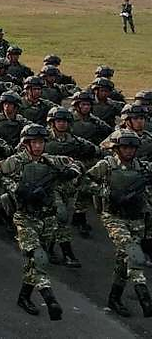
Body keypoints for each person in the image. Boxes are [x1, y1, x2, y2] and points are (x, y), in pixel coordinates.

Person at [0, 123, 80, 321]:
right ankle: (50, 299)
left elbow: (76, 164)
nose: (38, 146)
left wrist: (70, 172)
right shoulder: (16, 161)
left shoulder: (51, 161)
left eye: (41, 142)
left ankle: (24, 297)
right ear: (26, 144)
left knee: (34, 262)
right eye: (34, 142)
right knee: (39, 258)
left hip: (47, 218)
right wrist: (15, 187)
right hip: (25, 217)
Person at [85, 129, 152, 317]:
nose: (129, 151)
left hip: (136, 218)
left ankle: (114, 298)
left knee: (123, 260)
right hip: (113, 216)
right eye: (125, 147)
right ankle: (143, 294)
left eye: (132, 147)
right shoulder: (107, 165)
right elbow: (84, 181)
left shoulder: (143, 167)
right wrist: (107, 193)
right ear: (116, 148)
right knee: (132, 252)